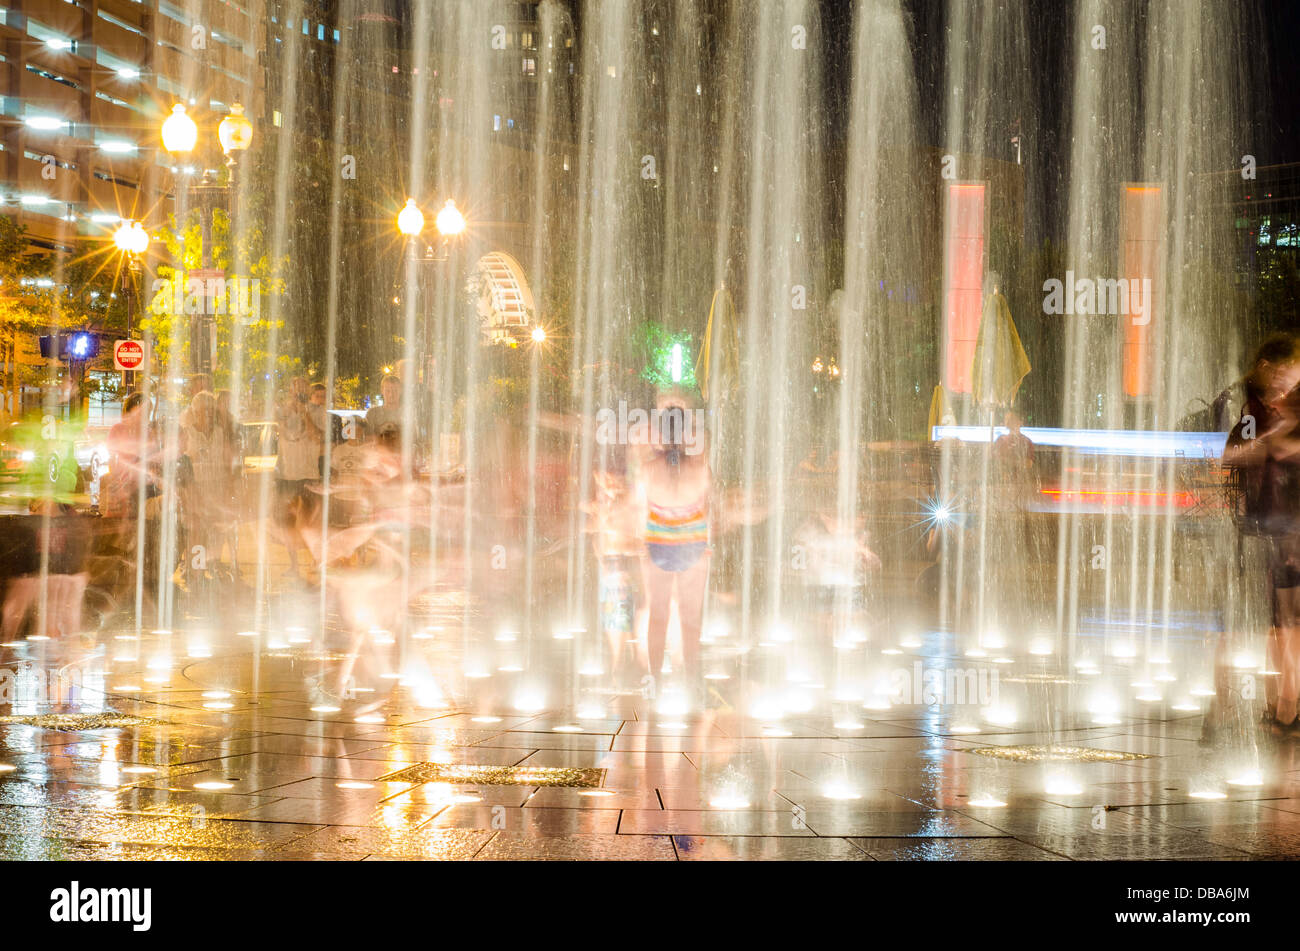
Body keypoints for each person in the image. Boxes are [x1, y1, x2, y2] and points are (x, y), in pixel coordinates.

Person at [1223, 334, 1300, 730]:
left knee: (1285, 621)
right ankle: (1280, 705)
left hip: (1286, 532)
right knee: (1280, 622)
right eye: (1286, 377)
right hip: (1276, 530)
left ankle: (1285, 706)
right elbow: (1235, 453)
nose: (1288, 387)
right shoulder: (1257, 412)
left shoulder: (1280, 414)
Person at [636, 388, 710, 704]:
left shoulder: (648, 470)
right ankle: (691, 680)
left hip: (658, 547)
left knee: (658, 615)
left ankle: (653, 678)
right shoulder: (701, 467)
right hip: (694, 546)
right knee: (691, 619)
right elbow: (710, 509)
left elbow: (641, 512)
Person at [275, 376, 325, 579]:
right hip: (287, 474)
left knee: (309, 522)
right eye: (296, 391)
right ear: (290, 391)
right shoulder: (282, 410)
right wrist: (291, 409)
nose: (300, 394)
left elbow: (317, 437)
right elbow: (280, 429)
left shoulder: (319, 412)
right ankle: (293, 565)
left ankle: (315, 561)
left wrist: (306, 413)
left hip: (308, 473)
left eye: (304, 390)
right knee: (287, 522)